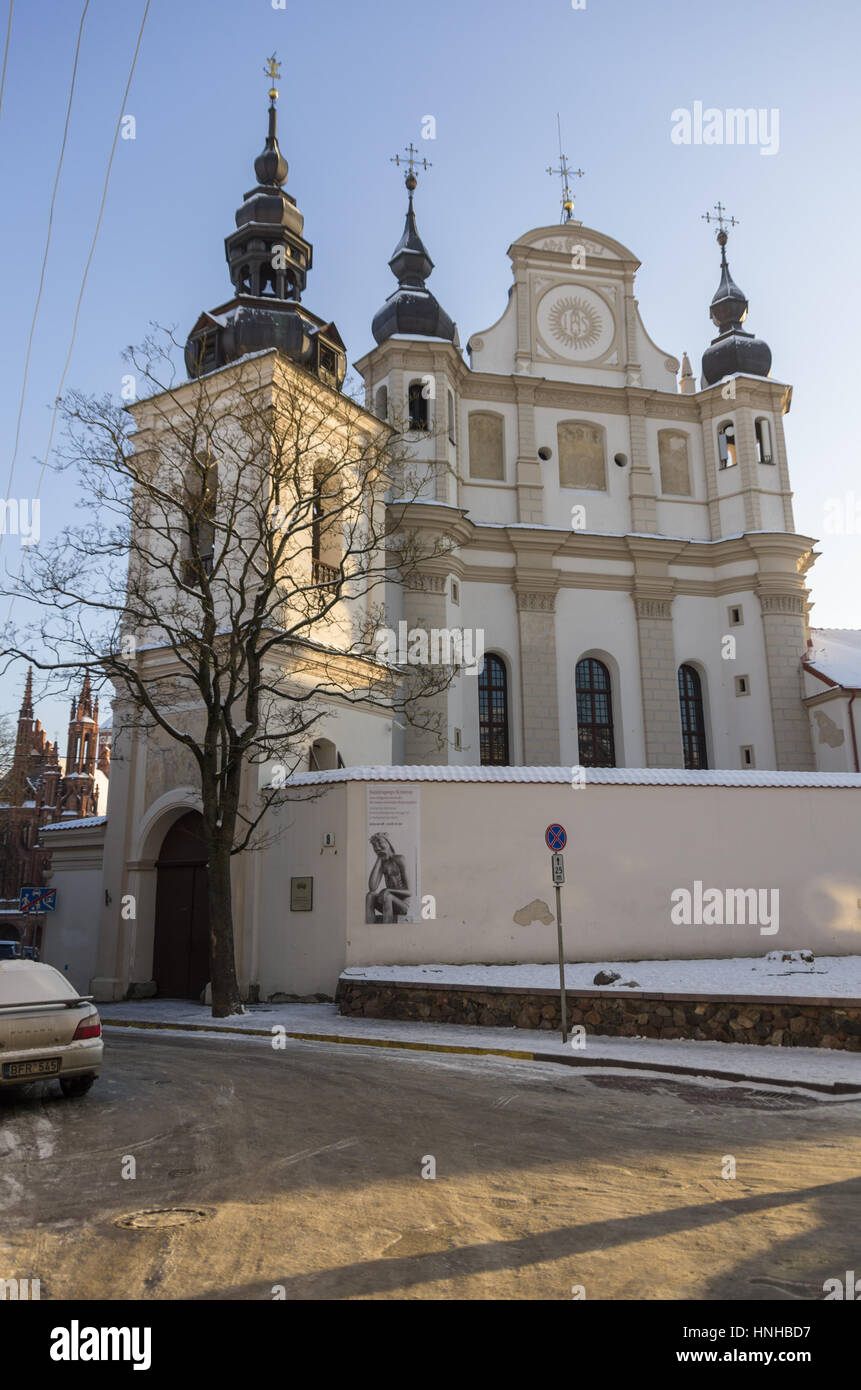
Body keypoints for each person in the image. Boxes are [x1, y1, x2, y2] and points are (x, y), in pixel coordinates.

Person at [365, 832, 411, 923]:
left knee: (388, 896)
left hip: (402, 906)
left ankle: (387, 930)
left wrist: (388, 890)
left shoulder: (399, 859)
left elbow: (409, 892)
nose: (377, 847)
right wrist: (379, 858)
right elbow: (372, 887)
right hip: (387, 901)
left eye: (380, 843)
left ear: (388, 843)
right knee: (370, 896)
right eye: (374, 845)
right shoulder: (383, 863)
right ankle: (370, 927)